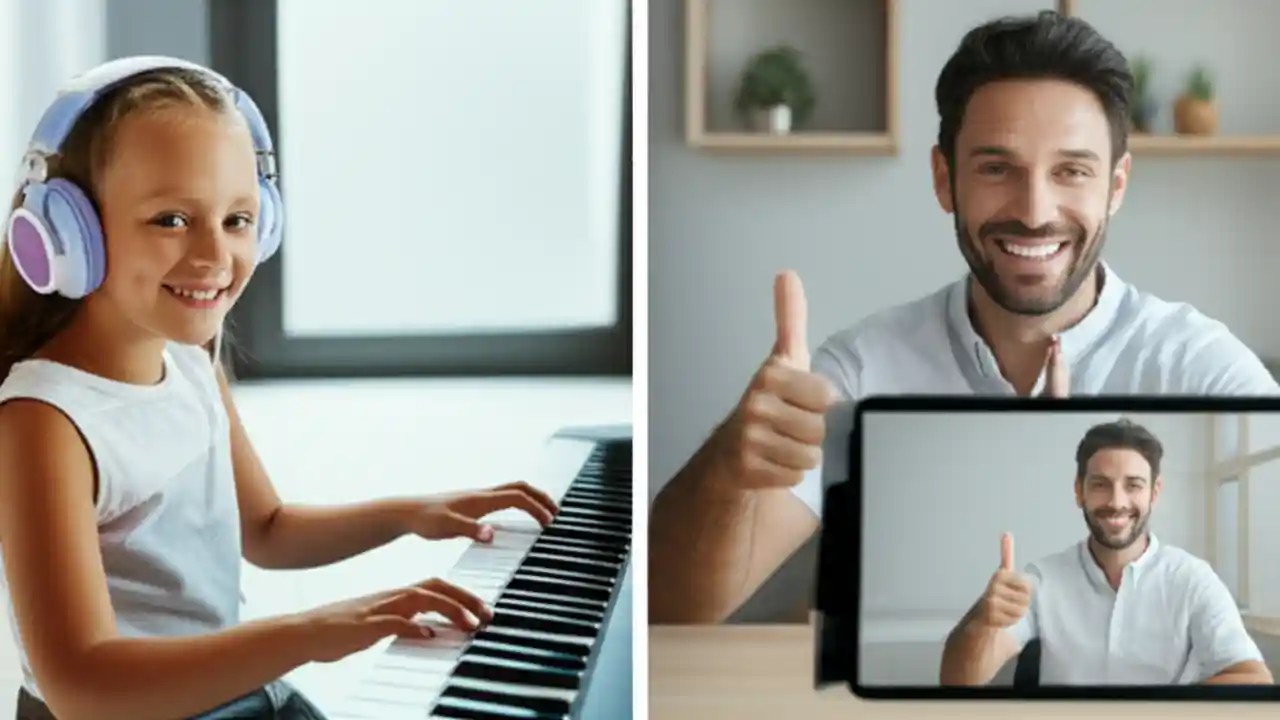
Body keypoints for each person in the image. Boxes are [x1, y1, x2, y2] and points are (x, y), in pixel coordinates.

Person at [649, 10, 1280, 624]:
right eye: (997, 168)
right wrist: (730, 464)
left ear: (1115, 186)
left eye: (1071, 171)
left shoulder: (1207, 370)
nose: (1035, 211)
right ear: (944, 179)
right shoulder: (862, 370)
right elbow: (672, 608)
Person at [0, 57, 557, 719]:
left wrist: (411, 514)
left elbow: (267, 529)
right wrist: (310, 634)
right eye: (172, 220)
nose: (214, 255)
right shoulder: (46, 420)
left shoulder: (190, 361)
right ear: (69, 234)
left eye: (238, 219)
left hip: (232, 696)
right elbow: (81, 686)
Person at [939, 419, 1272, 686]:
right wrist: (981, 620)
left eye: (1133, 485)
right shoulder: (1041, 578)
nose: (1116, 502)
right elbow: (957, 680)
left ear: (1154, 492)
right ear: (1078, 491)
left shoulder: (1193, 579)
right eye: (1100, 484)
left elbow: (1254, 678)